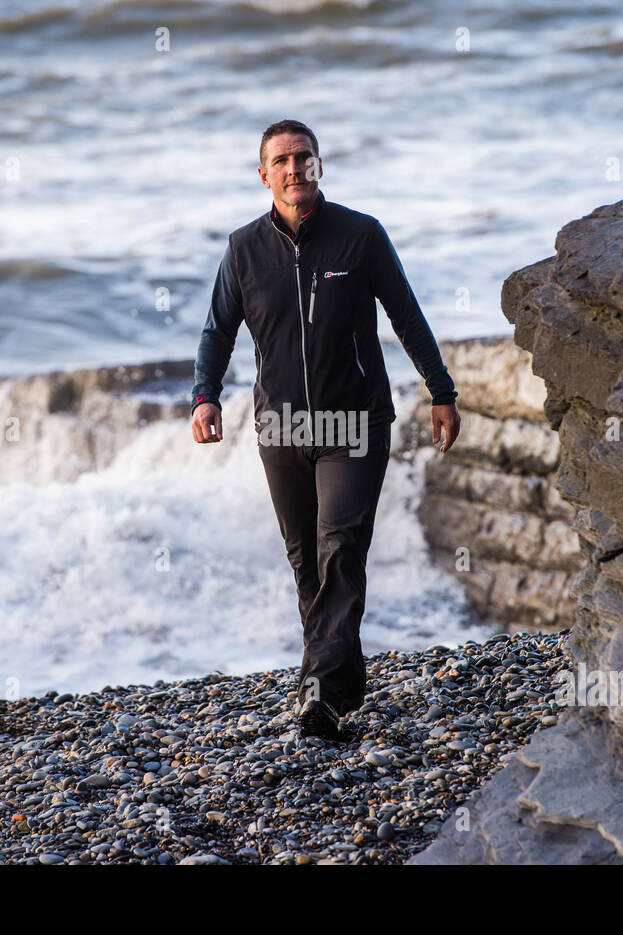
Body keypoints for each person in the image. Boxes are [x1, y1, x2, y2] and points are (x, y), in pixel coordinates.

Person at [190, 119, 461, 742]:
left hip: (355, 421)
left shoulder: (361, 236)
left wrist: (440, 391)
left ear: (319, 165)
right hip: (281, 427)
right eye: (282, 160)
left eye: (304, 157)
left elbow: (406, 314)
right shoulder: (242, 250)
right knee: (307, 564)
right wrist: (205, 396)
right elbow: (217, 331)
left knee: (339, 547)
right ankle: (342, 682)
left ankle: (319, 693)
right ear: (264, 175)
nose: (294, 168)